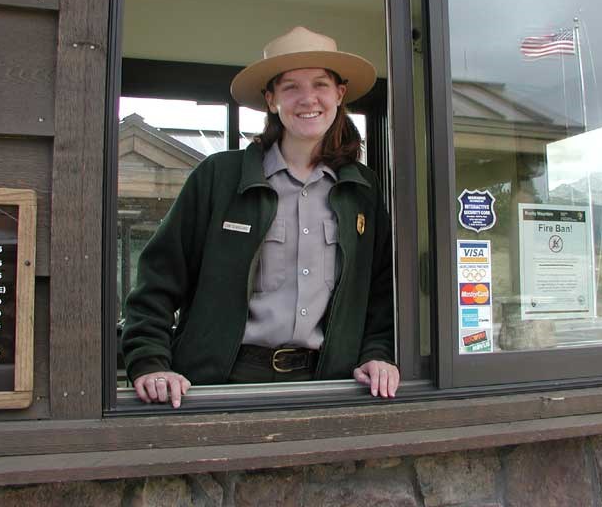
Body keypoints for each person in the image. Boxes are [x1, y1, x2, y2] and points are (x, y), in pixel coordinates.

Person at [121, 26, 399, 408]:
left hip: (329, 384)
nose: (308, 99)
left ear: (339, 94)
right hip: (221, 384)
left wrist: (377, 355)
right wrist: (150, 361)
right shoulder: (219, 177)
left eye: (320, 84)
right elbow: (158, 278)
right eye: (290, 87)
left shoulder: (362, 190)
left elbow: (380, 293)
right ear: (271, 100)